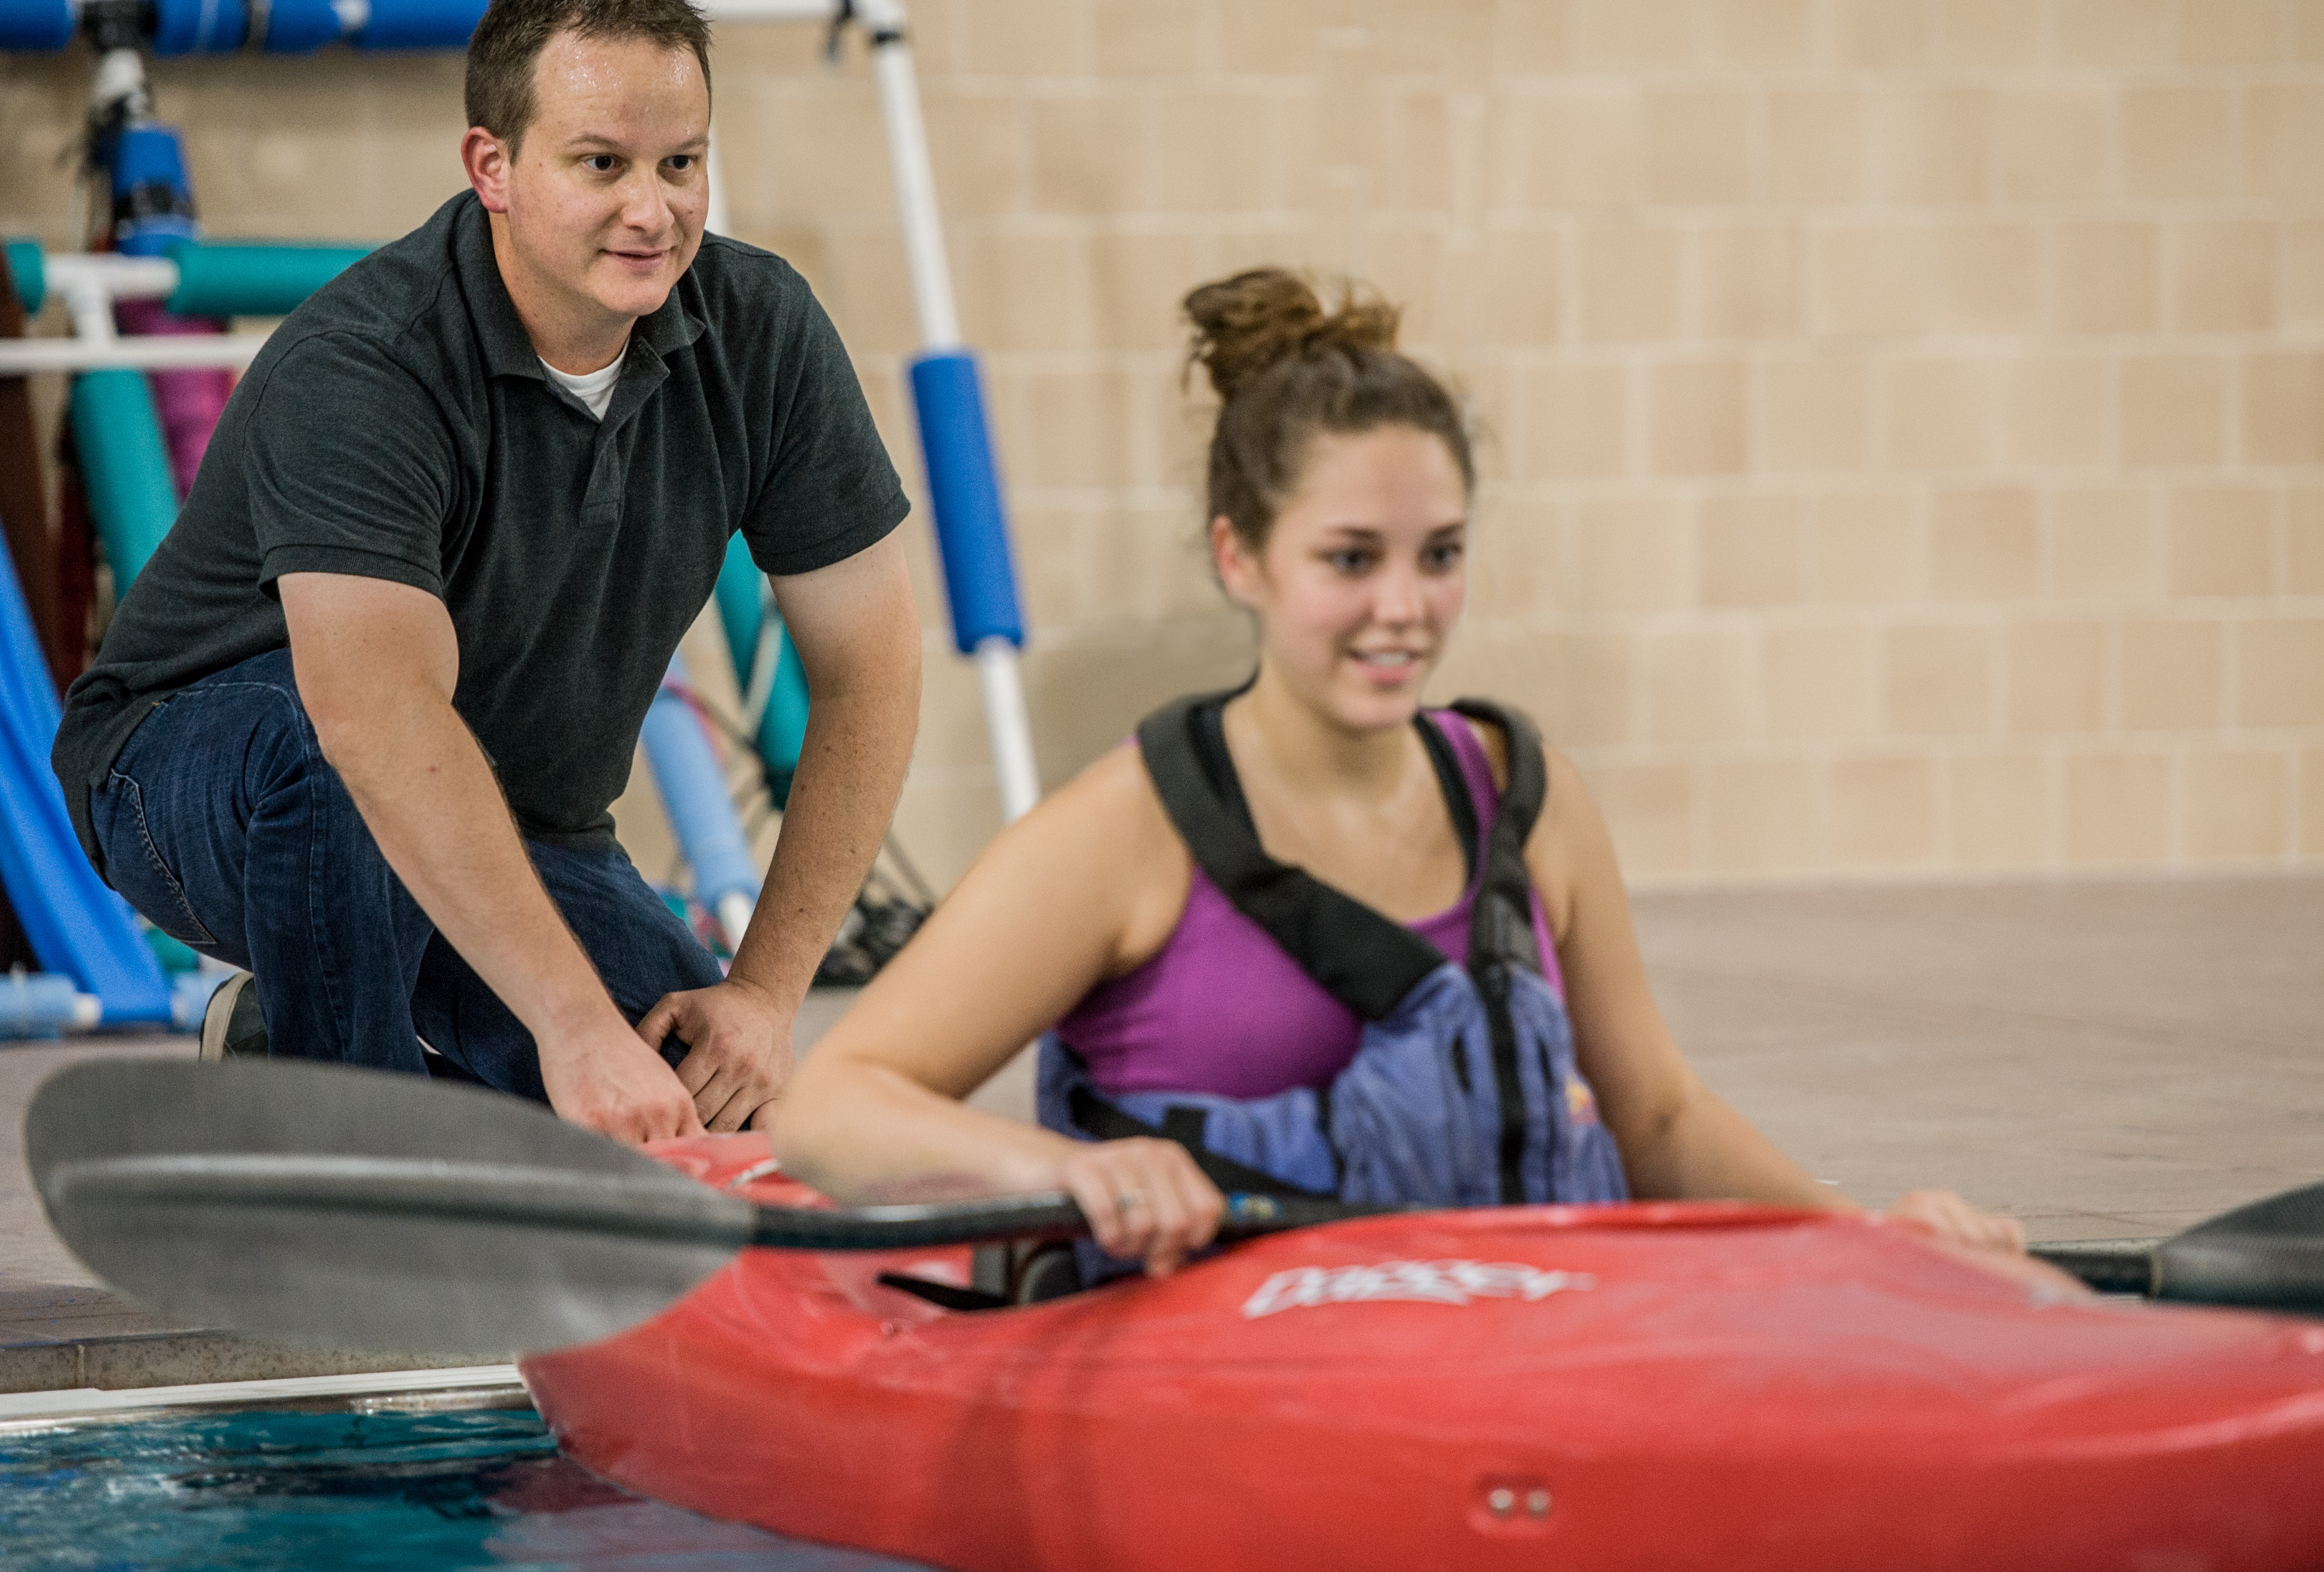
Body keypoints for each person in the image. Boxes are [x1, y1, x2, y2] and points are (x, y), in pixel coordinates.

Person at [773, 268, 2026, 1278]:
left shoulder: (1526, 796)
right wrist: (1059, 1175)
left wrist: (1865, 1240)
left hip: (1520, 1361)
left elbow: (1655, 1118)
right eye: (1350, 559)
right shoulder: (1121, 832)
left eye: (1439, 554)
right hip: (1232, 1396)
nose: (1404, 608)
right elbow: (832, 1107)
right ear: (1240, 557)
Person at [53, 0, 922, 1144]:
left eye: (682, 164)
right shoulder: (368, 363)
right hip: (195, 778)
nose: (652, 209)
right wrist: (568, 1028)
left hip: (519, 822)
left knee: (704, 1115)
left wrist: (764, 996)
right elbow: (372, 715)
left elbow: (871, 667)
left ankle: (279, 1057)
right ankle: (353, 1155)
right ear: (492, 168)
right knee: (337, 751)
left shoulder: (761, 332)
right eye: (601, 164)